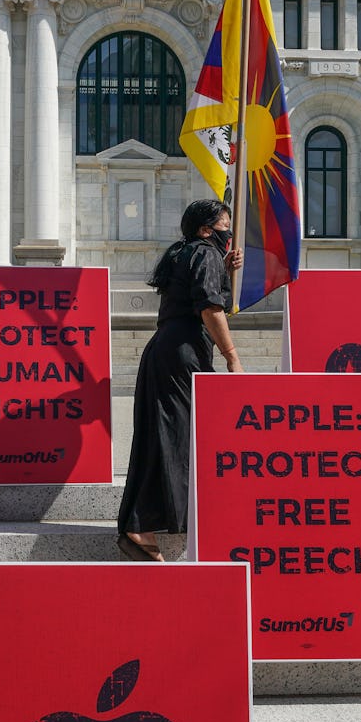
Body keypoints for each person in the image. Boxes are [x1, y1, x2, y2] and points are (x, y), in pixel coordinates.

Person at [117, 198, 243, 561]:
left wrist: (223, 267)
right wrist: (232, 356)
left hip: (167, 349)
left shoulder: (187, 253)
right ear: (207, 229)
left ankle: (142, 523)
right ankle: (140, 526)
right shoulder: (204, 253)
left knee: (167, 434)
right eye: (224, 226)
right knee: (177, 436)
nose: (227, 233)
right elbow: (209, 306)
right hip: (183, 351)